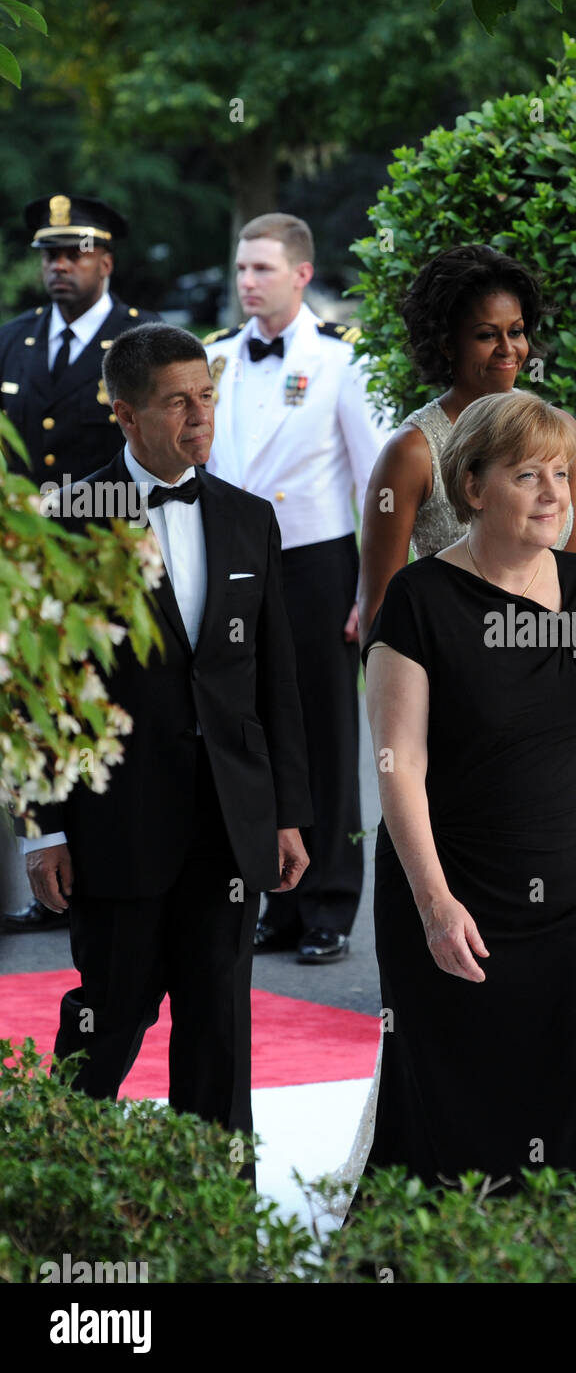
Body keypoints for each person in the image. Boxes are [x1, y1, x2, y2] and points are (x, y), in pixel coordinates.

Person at [345, 390, 576, 1196]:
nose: (552, 494)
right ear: (471, 487)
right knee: (469, 1110)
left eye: (560, 475)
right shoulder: (420, 601)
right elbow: (399, 766)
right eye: (526, 474)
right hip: (461, 898)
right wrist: (434, 905)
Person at [19, 323, 312, 1165]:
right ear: (125, 414)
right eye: (177, 402)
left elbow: (274, 683)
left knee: (219, 1025)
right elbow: (39, 694)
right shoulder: (67, 518)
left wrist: (288, 813)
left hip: (229, 818)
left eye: (207, 396)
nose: (199, 417)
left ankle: (220, 1215)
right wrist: (45, 827)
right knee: (111, 1016)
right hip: (116, 821)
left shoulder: (248, 518)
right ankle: (53, 1189)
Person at [355, 244, 576, 795]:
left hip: (560, 701)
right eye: (486, 334)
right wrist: (404, 747)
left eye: (516, 331)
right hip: (461, 710)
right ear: (446, 342)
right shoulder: (411, 453)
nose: (508, 348)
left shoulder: (559, 434)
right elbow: (379, 615)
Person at [204, 213, 382, 963]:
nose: (247, 283)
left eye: (262, 270)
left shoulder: (344, 360)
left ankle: (330, 907)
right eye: (241, 269)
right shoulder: (213, 359)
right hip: (232, 567)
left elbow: (378, 484)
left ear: (302, 274)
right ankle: (275, 897)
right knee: (252, 734)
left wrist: (371, 590)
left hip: (316, 567)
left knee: (325, 738)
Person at [1, 192, 160, 933]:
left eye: (73, 253)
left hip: (109, 571)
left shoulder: (141, 345)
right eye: (48, 255)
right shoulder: (15, 341)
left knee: (110, 718)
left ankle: (111, 868)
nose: (57, 266)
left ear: (106, 260)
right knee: (34, 718)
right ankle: (44, 872)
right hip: (31, 578)